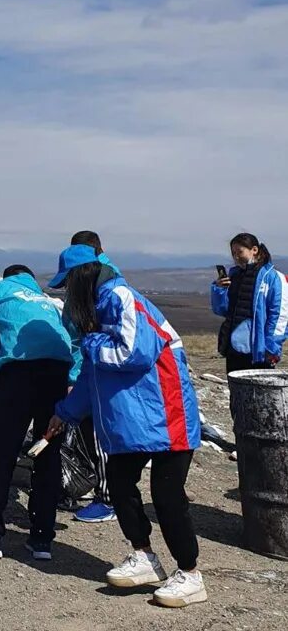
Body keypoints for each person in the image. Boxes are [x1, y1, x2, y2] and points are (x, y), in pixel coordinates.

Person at [47, 245, 206, 608]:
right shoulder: (98, 311)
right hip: (134, 421)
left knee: (167, 497)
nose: (68, 291)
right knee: (119, 486)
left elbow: (134, 352)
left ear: (84, 276)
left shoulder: (120, 297)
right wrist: (65, 413)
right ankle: (144, 557)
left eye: (69, 281)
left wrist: (91, 342)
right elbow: (92, 376)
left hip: (166, 414)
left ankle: (190, 574)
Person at [0, 265, 75, 560]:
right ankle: (42, 540)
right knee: (48, 453)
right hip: (57, 374)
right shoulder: (45, 301)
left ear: (7, 277)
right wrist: (71, 381)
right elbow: (69, 340)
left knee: (0, 454)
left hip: (18, 374)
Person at [65, 231, 116, 525]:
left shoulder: (101, 285)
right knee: (88, 431)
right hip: (89, 367)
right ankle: (92, 485)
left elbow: (81, 332)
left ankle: (107, 497)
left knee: (100, 434)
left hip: (96, 370)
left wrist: (75, 373)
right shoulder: (101, 277)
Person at [211, 233, 287, 373]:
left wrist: (272, 347)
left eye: (239, 252)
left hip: (259, 351)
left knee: (259, 393)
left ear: (254, 250)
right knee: (237, 391)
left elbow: (280, 315)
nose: (236, 257)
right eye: (233, 253)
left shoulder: (272, 278)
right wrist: (219, 290)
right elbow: (222, 310)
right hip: (233, 348)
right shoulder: (234, 275)